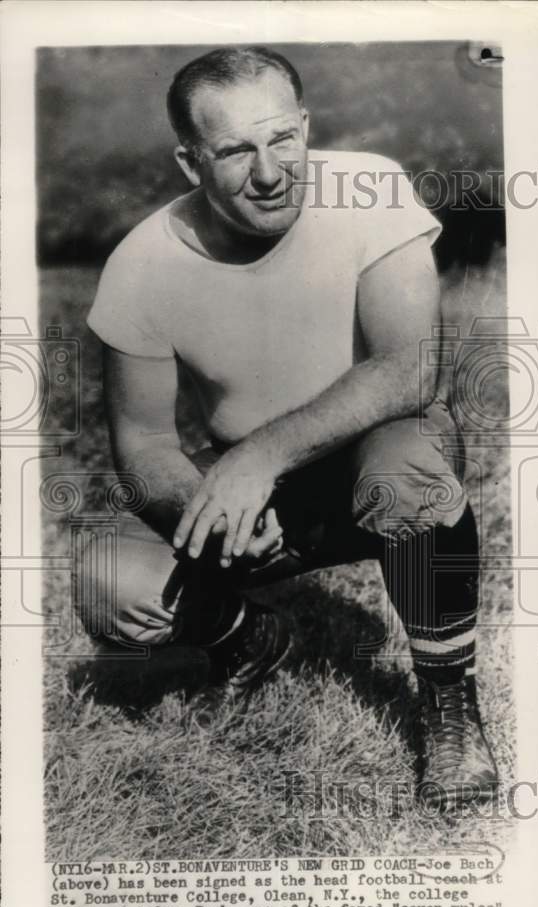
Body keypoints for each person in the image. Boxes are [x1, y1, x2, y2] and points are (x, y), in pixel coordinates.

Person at [83, 45, 498, 810]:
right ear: (189, 163)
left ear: (305, 126)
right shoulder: (139, 263)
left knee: (406, 475)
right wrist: (204, 509)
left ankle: (448, 703)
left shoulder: (369, 187)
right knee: (110, 578)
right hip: (255, 492)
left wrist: (260, 456)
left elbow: (410, 371)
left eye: (281, 138)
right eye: (236, 150)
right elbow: (140, 445)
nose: (269, 171)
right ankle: (247, 638)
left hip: (379, 451)